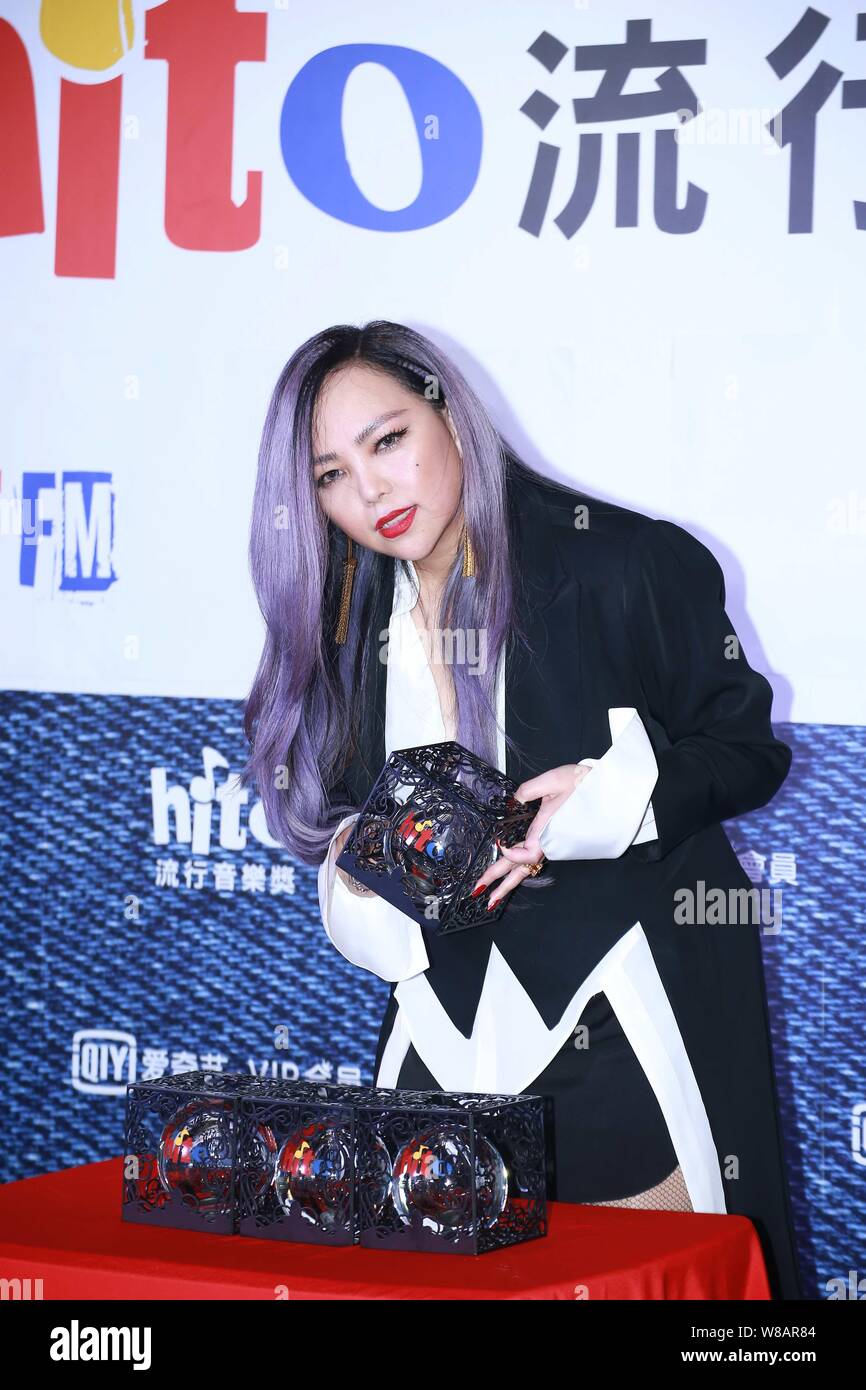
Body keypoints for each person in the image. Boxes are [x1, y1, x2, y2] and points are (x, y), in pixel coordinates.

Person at [241, 319, 803, 1300]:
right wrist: (358, 877)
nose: (368, 492)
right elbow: (338, 817)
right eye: (329, 473)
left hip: (619, 1013)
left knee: (662, 1293)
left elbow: (746, 749)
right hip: (443, 1028)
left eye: (386, 441)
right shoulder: (335, 620)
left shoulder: (622, 563)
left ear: (448, 412)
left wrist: (610, 790)